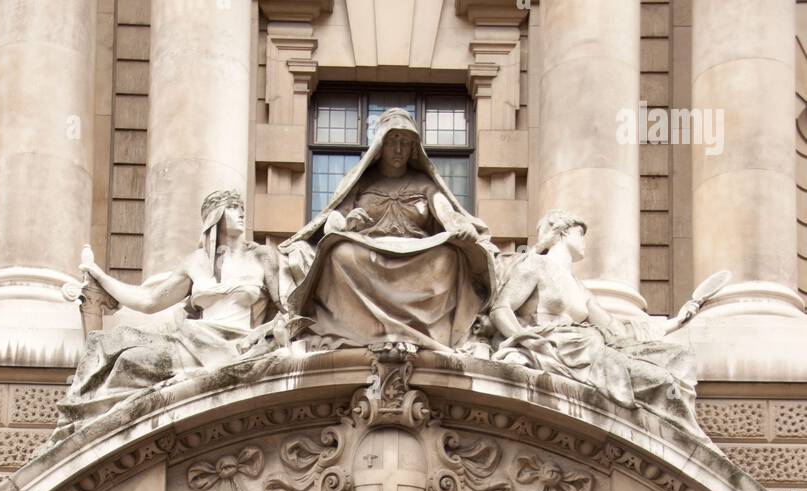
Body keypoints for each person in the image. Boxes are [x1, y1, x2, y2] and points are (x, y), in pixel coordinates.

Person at [54, 189, 282, 431]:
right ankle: (91, 430)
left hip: (236, 346)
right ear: (215, 216)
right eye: (233, 207)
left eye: (242, 209)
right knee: (127, 360)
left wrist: (269, 334)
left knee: (129, 362)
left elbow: (287, 306)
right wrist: (99, 275)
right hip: (193, 340)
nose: (241, 214)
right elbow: (150, 301)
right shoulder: (196, 262)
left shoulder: (261, 257)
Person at [281, 108, 497, 351]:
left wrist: (463, 227)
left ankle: (422, 333)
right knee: (338, 254)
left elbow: (448, 215)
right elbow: (333, 223)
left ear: (413, 148)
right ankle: (364, 330)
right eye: (393, 142)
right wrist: (349, 222)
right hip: (368, 250)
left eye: (405, 143)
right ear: (380, 144)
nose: (398, 150)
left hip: (418, 251)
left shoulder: (424, 184)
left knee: (448, 257)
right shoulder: (361, 182)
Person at [489, 210, 705, 435]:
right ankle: (679, 439)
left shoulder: (579, 287)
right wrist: (523, 338)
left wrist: (675, 322)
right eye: (580, 233)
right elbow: (501, 309)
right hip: (560, 347)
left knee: (678, 359)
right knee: (658, 381)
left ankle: (687, 442)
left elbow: (616, 328)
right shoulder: (536, 265)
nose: (584, 241)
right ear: (563, 233)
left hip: (589, 348)